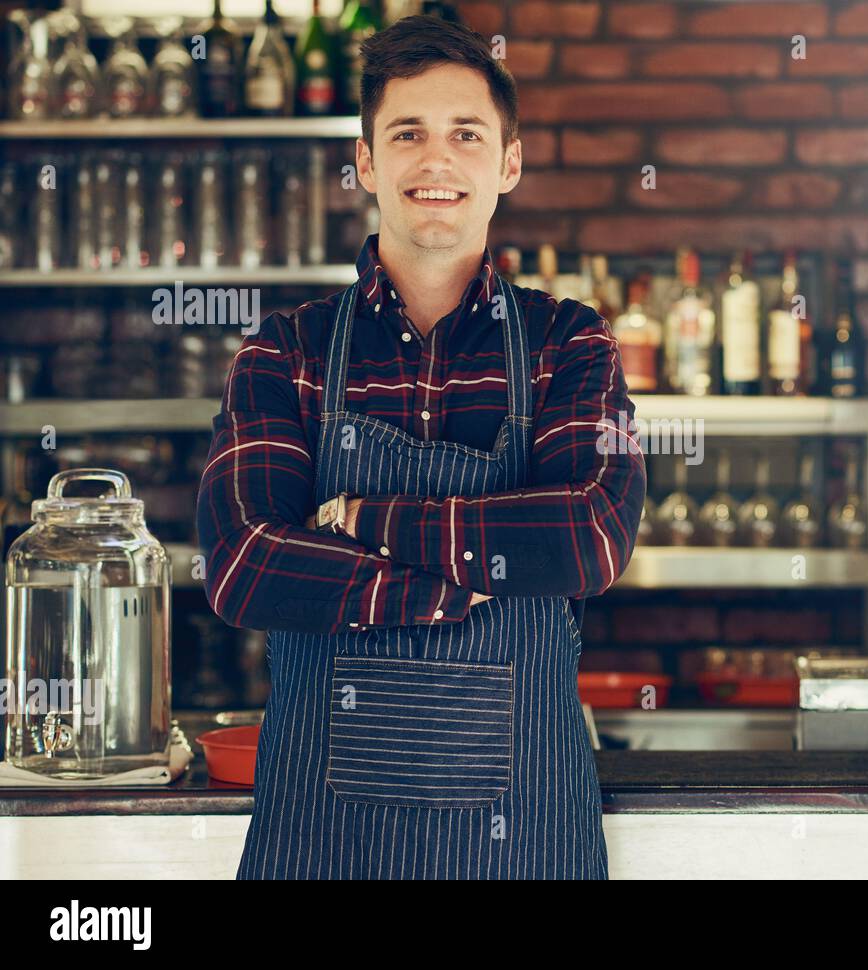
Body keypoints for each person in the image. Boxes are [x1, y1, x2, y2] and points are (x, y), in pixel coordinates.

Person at [196, 14, 646, 879]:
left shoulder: (571, 346)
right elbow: (243, 564)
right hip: (327, 843)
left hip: (526, 840)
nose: (436, 160)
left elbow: (588, 538)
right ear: (366, 161)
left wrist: (362, 517)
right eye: (407, 134)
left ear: (507, 163)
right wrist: (455, 587)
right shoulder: (284, 350)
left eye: (466, 135)